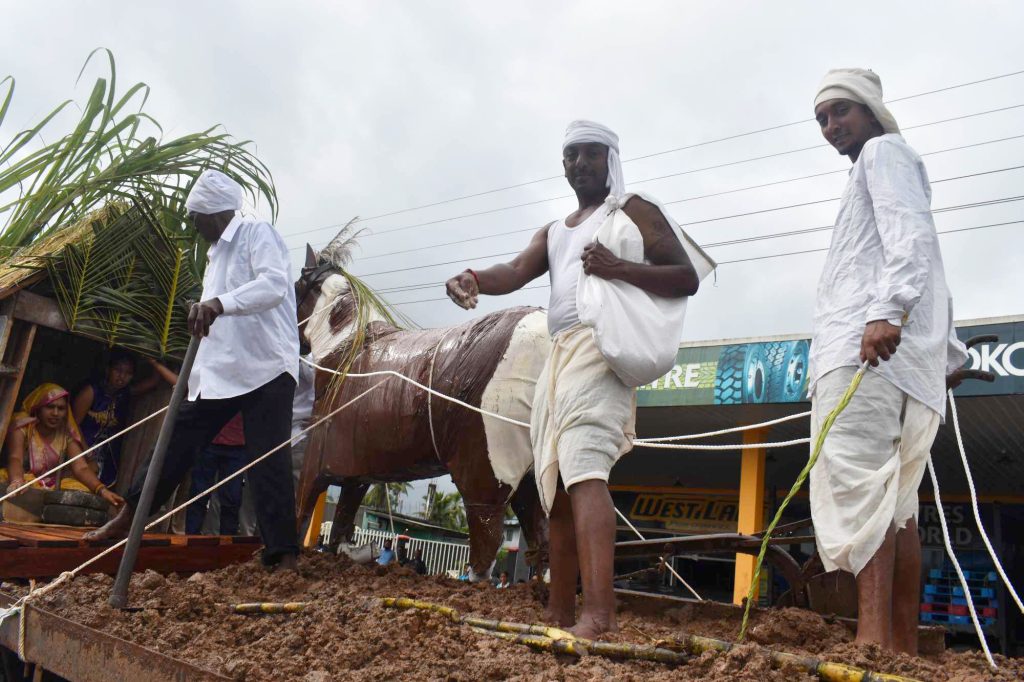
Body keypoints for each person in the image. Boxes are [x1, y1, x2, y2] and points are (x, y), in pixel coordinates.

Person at [446, 120, 701, 638]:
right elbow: (515, 271)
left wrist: (615, 268)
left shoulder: (633, 211)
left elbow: (686, 277)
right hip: (558, 355)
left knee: (584, 470)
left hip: (599, 345)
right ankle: (561, 612)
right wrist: (472, 278)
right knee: (554, 482)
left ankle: (600, 614)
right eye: (570, 157)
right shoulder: (556, 230)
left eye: (590, 154)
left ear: (610, 159)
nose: (579, 164)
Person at [809, 68, 968, 655]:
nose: (830, 127)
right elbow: (926, 249)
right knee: (899, 505)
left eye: (840, 112)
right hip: (901, 355)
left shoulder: (882, 151)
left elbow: (908, 238)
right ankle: (898, 647)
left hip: (867, 348)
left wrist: (885, 311)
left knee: (862, 490)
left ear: (872, 111)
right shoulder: (885, 160)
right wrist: (946, 350)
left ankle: (871, 642)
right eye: (822, 118)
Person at [85, 169, 301, 572]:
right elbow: (215, 315)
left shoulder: (257, 233)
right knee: (175, 439)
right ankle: (128, 518)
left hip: (267, 366)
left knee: (267, 458)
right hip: (220, 370)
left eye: (194, 216)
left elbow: (273, 285)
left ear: (211, 212)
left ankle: (282, 556)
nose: (193, 225)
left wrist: (218, 304)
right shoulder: (217, 253)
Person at [3, 383, 125, 509]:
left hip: (50, 486)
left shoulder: (66, 433)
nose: (55, 413)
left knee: (81, 489)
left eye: (61, 408)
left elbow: (81, 468)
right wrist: (17, 481)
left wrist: (102, 490)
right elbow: (15, 458)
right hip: (21, 479)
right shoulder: (23, 427)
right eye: (50, 407)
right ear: (38, 407)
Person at [72, 350, 177, 487]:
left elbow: (153, 382)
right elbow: (73, 425)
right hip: (82, 451)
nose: (122, 377)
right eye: (118, 370)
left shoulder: (125, 394)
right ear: (108, 369)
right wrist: (86, 454)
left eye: (128, 373)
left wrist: (154, 362)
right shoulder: (91, 392)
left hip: (107, 456)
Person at [185, 413, 247, 535]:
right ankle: (191, 538)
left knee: (232, 499)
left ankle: (227, 544)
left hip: (238, 445)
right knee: (198, 493)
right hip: (209, 440)